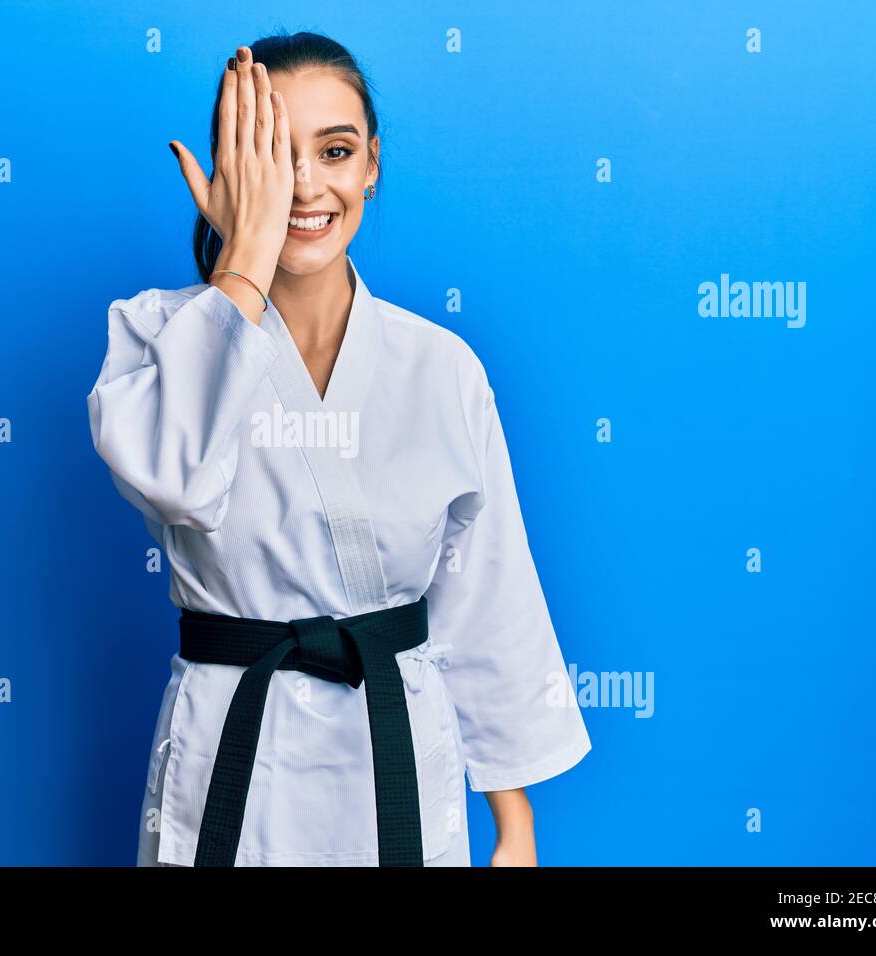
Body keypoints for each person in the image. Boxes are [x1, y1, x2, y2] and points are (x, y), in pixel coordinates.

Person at [87, 31, 591, 867]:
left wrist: (515, 824)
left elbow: (486, 592)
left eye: (335, 150)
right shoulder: (153, 336)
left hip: (390, 747)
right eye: (274, 155)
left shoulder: (441, 367)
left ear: (372, 166)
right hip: (232, 749)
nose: (309, 184)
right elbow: (179, 481)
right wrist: (243, 260)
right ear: (232, 171)